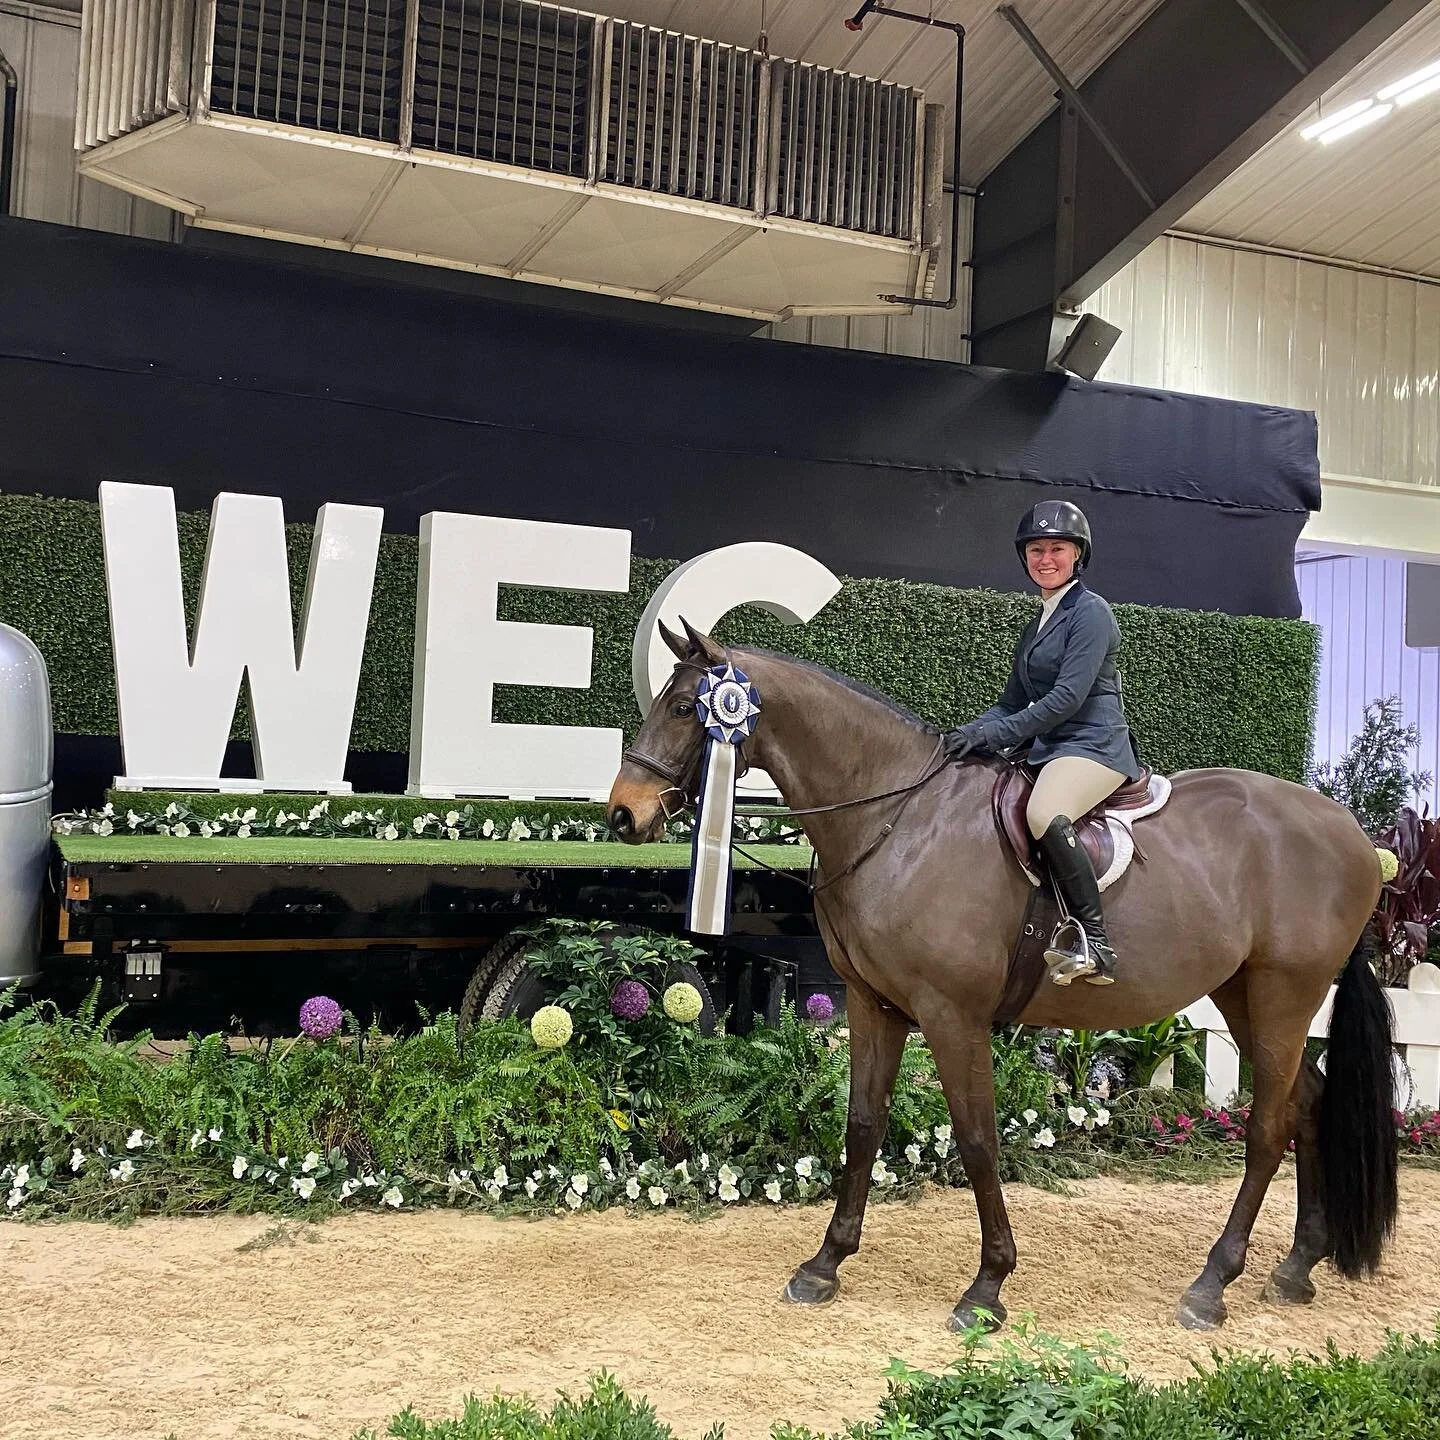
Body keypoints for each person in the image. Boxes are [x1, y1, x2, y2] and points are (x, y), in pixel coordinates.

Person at [943, 500, 1141, 986]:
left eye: (1057, 549)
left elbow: (1066, 699)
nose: (1045, 559)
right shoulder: (1040, 622)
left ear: (1077, 555)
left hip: (1092, 745)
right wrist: (964, 733)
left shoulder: (1091, 613)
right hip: (1051, 748)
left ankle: (1095, 941)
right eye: (1036, 550)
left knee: (1043, 812)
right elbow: (1011, 702)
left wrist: (993, 735)